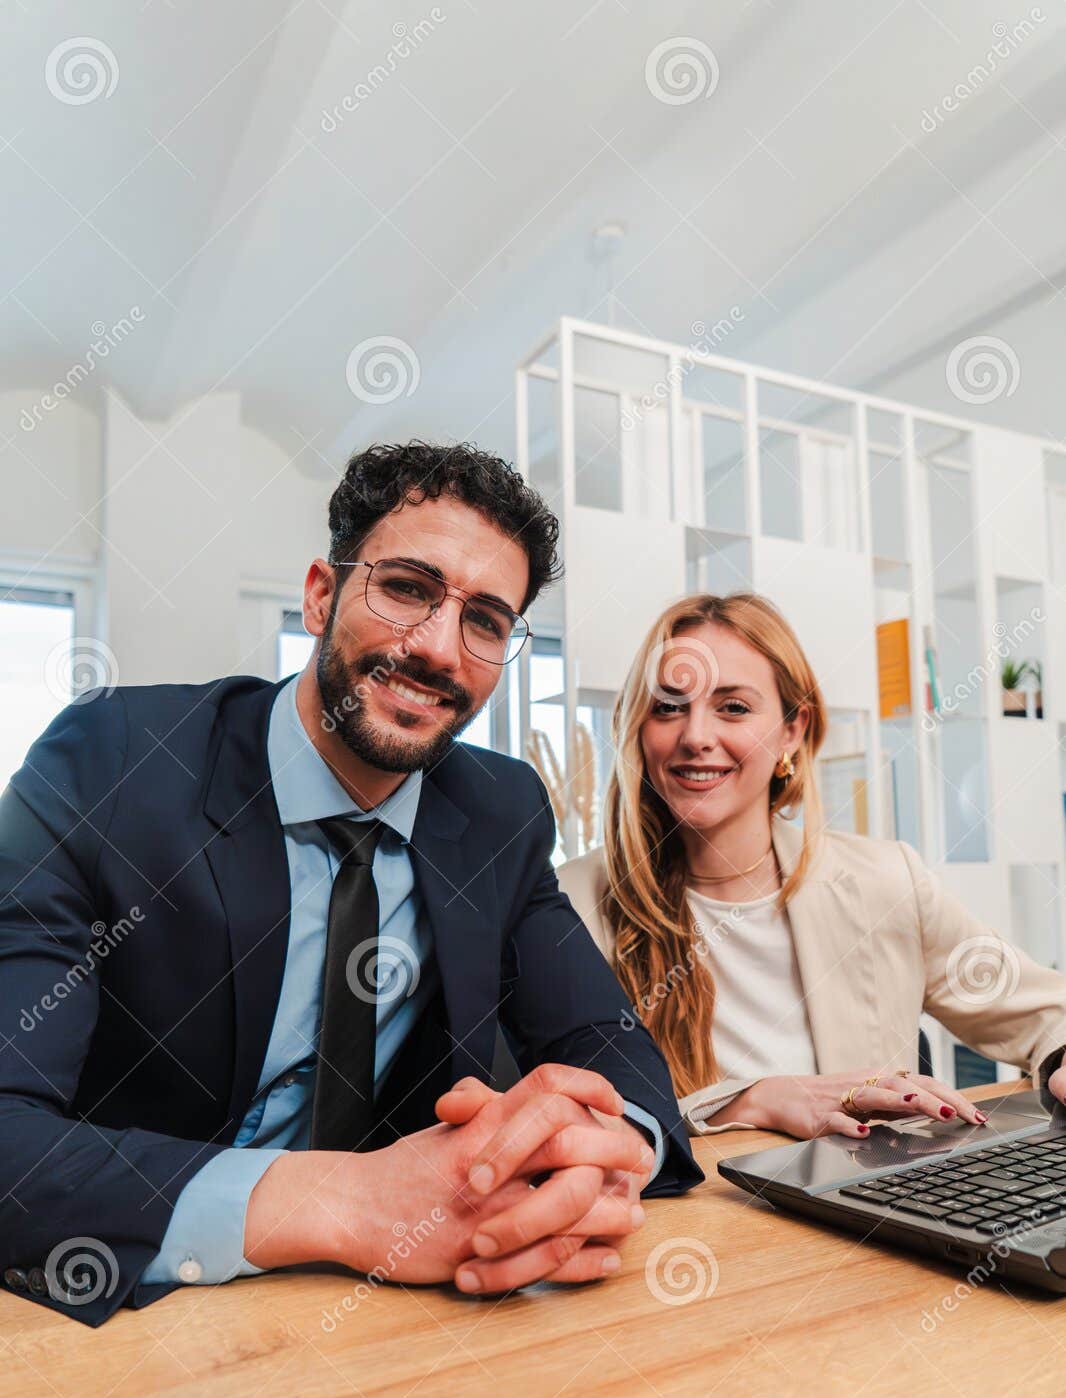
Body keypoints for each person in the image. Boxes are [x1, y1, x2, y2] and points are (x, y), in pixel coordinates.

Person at [0, 442, 702, 1327]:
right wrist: (342, 1200)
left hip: (386, 1325)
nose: (440, 648)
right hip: (122, 1307)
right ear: (321, 595)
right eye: (408, 587)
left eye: (486, 620)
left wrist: (605, 1152)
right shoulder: (111, 760)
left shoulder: (499, 811)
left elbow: (604, 1041)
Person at [560, 592, 1066, 1142]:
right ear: (638, 726)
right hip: (681, 1222)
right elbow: (576, 1117)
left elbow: (1042, 1012)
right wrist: (749, 1102)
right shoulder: (569, 903)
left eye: (733, 707)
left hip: (867, 1216)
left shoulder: (886, 881)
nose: (696, 737)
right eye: (668, 706)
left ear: (792, 730)